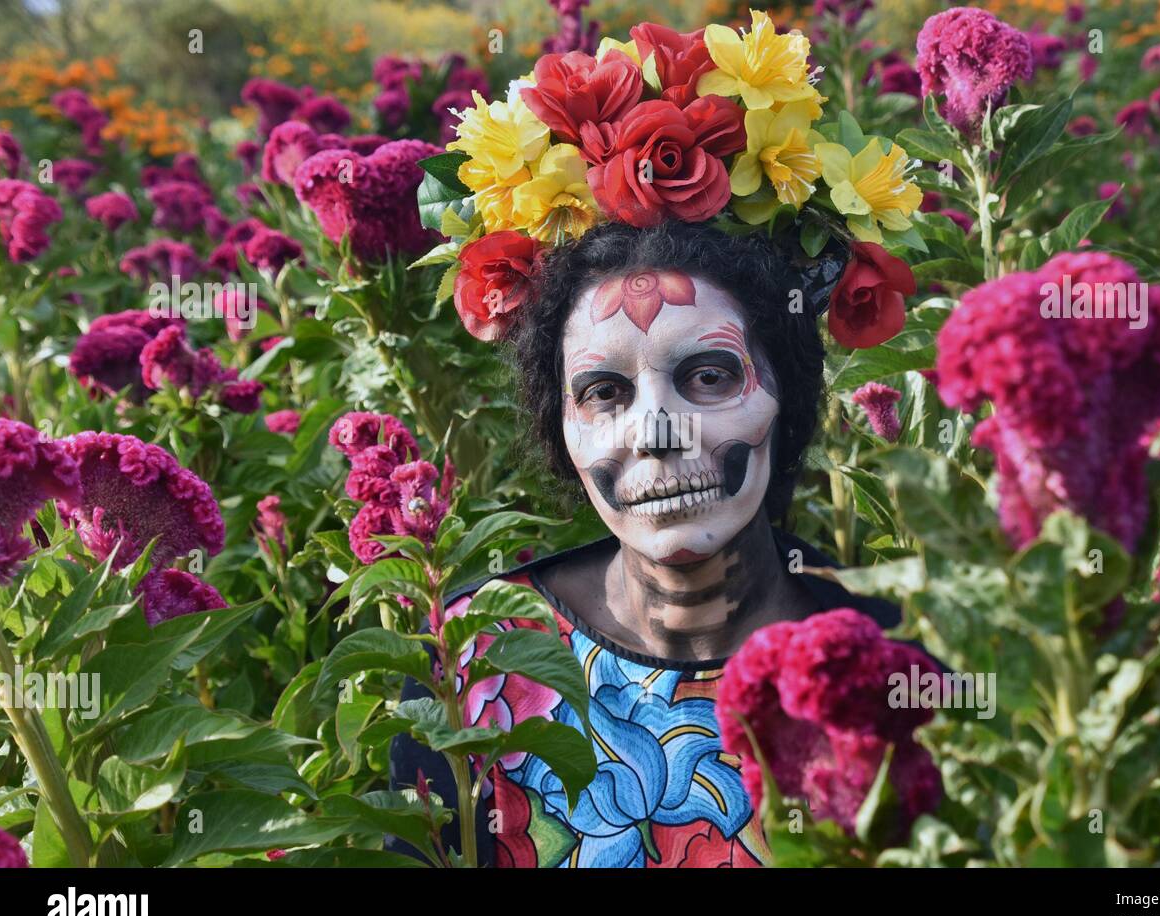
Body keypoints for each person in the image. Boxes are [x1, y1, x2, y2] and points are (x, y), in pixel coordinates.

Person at [388, 221, 905, 868]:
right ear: (562, 431)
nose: (656, 433)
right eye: (605, 393)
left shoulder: (895, 661)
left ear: (788, 399)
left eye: (710, 376)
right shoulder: (469, 657)